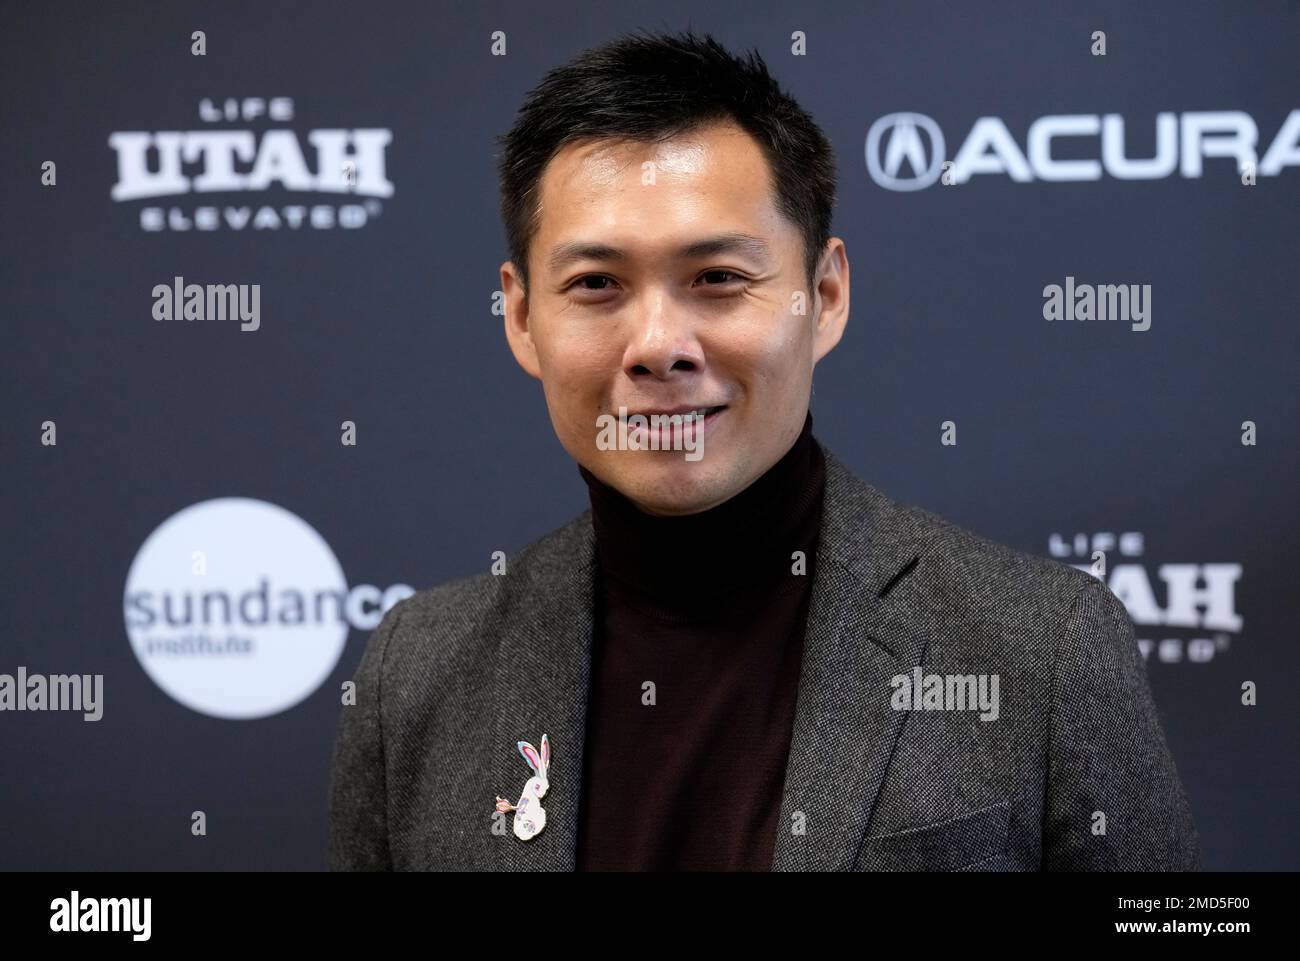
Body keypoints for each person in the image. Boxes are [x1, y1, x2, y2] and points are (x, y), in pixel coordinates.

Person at [328, 29, 1199, 871]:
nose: (658, 344)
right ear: (521, 317)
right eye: (596, 285)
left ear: (823, 294)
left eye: (718, 278)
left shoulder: (1041, 649)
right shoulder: (419, 671)